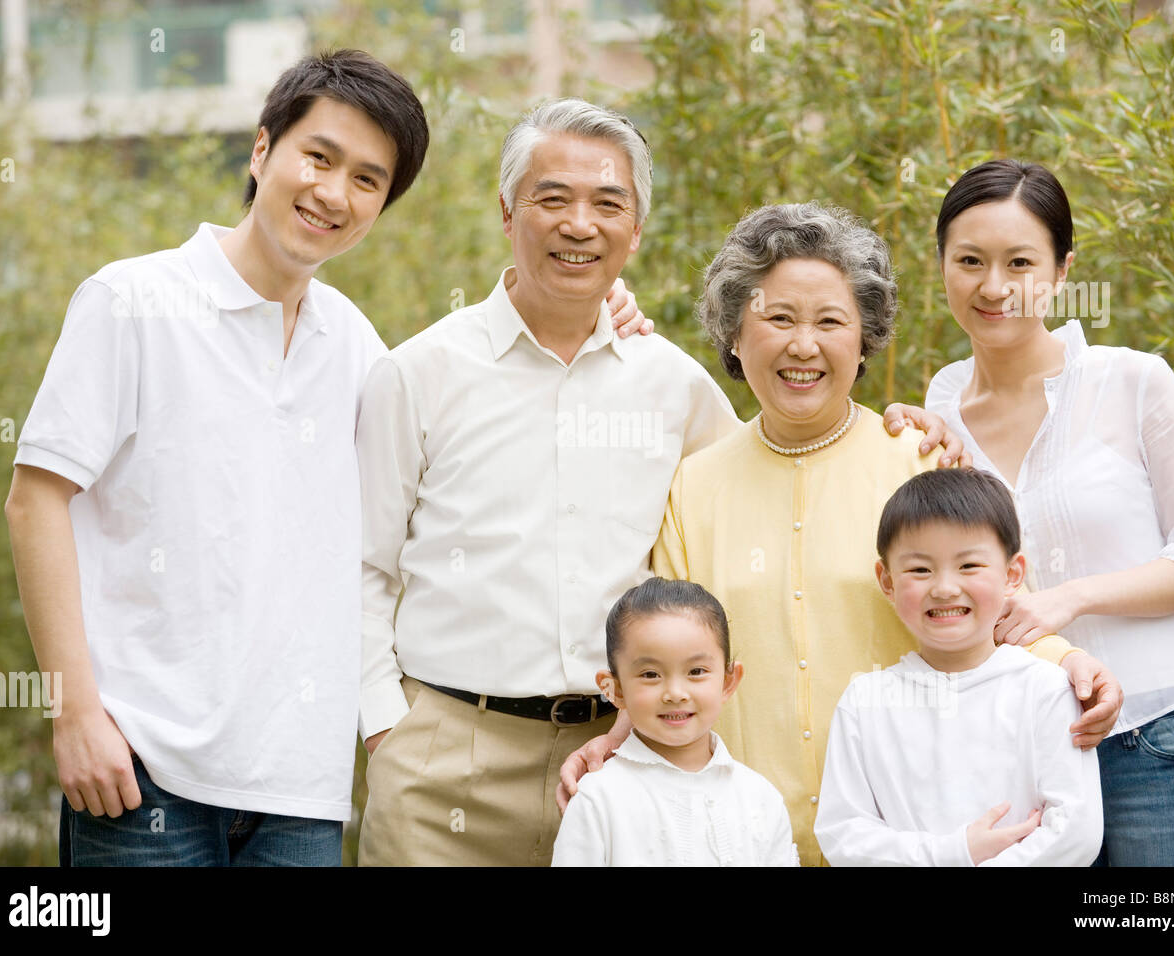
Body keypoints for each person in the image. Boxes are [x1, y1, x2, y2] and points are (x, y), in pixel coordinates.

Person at [3, 50, 644, 867]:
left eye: (369, 180)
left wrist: (598, 309)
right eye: (319, 157)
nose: (334, 194)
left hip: (299, 789)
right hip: (139, 770)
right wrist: (74, 711)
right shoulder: (133, 302)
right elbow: (34, 503)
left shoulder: (357, 348)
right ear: (262, 149)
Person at [354, 103, 953, 866]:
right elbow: (362, 566)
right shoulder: (419, 372)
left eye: (609, 204)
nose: (581, 223)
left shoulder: (673, 384)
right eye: (553, 198)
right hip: (449, 762)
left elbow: (774, 472)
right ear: (508, 212)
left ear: (635, 230)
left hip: (636, 760)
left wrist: (906, 425)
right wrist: (387, 727)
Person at [559, 202, 1123, 866]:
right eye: (777, 318)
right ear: (735, 335)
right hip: (745, 839)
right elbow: (671, 644)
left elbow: (981, 595)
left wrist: (1067, 661)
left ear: (864, 341)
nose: (804, 345)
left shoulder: (919, 461)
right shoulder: (694, 485)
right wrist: (618, 738)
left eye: (831, 321)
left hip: (911, 836)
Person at [924, 159, 1174, 866]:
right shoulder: (938, 409)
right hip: (1018, 756)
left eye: (1021, 262)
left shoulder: (1132, 382)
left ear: (1063, 271)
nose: (994, 286)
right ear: (941, 263)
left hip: (1153, 740)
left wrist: (1067, 600)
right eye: (970, 260)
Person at [815, 468, 1103, 866]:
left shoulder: (1046, 689)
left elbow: (1076, 831)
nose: (945, 587)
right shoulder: (865, 701)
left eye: (969, 566)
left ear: (1013, 574)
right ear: (886, 580)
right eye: (920, 569)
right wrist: (955, 854)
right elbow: (844, 834)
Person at [552, 577, 798, 866]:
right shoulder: (597, 798)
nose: (675, 694)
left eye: (696, 671)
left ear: (728, 682)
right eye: (650, 674)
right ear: (614, 690)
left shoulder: (760, 797)